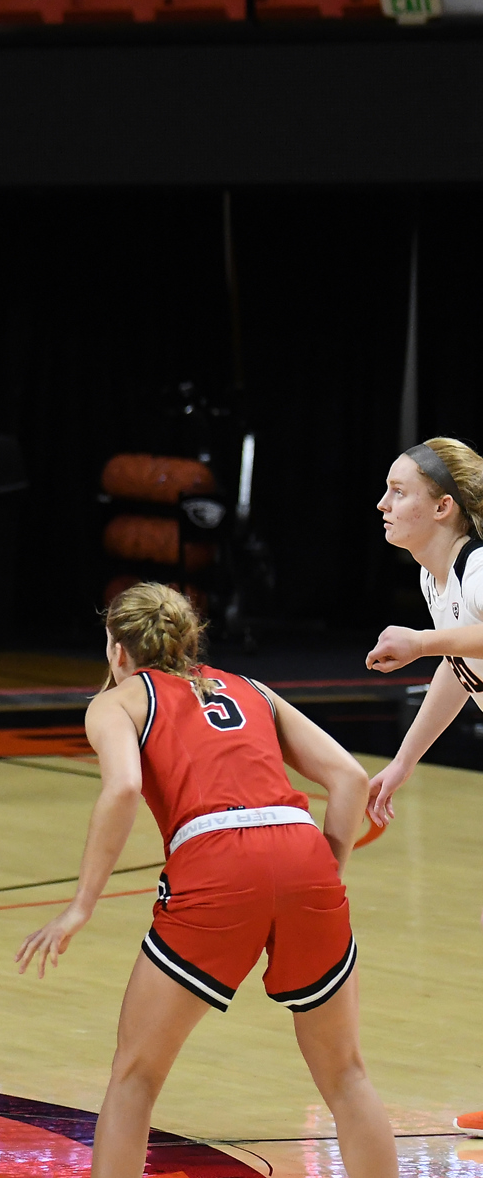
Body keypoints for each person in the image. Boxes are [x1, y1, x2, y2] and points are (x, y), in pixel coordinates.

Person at [18, 582, 394, 1178]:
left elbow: (121, 789)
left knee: (135, 1075)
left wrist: (80, 907)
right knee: (347, 1076)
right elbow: (349, 778)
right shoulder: (253, 690)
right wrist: (324, 873)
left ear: (117, 650)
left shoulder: (117, 702)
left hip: (216, 860)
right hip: (303, 854)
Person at [361, 436, 483, 1133]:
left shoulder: (477, 568)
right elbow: (460, 667)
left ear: (443, 506)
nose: (383, 503)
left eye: (398, 491)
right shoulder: (436, 583)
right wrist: (405, 761)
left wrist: (420, 640)